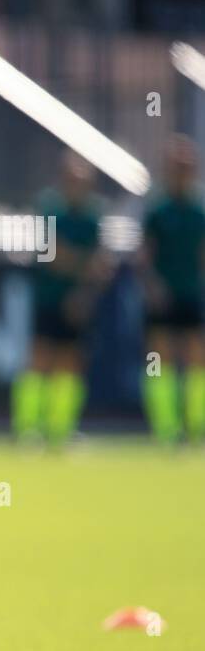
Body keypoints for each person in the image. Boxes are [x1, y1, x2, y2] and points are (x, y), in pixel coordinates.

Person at [12, 152, 112, 445]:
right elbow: (53, 254)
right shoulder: (49, 208)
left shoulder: (94, 215)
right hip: (48, 298)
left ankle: (61, 429)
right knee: (39, 360)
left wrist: (83, 294)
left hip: (78, 303)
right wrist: (85, 265)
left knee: (71, 364)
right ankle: (28, 428)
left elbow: (100, 262)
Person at [138, 134, 205, 443]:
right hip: (163, 295)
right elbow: (145, 256)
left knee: (196, 359)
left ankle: (195, 426)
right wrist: (153, 287)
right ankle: (165, 428)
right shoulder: (158, 210)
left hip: (192, 293)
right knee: (159, 359)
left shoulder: (199, 210)